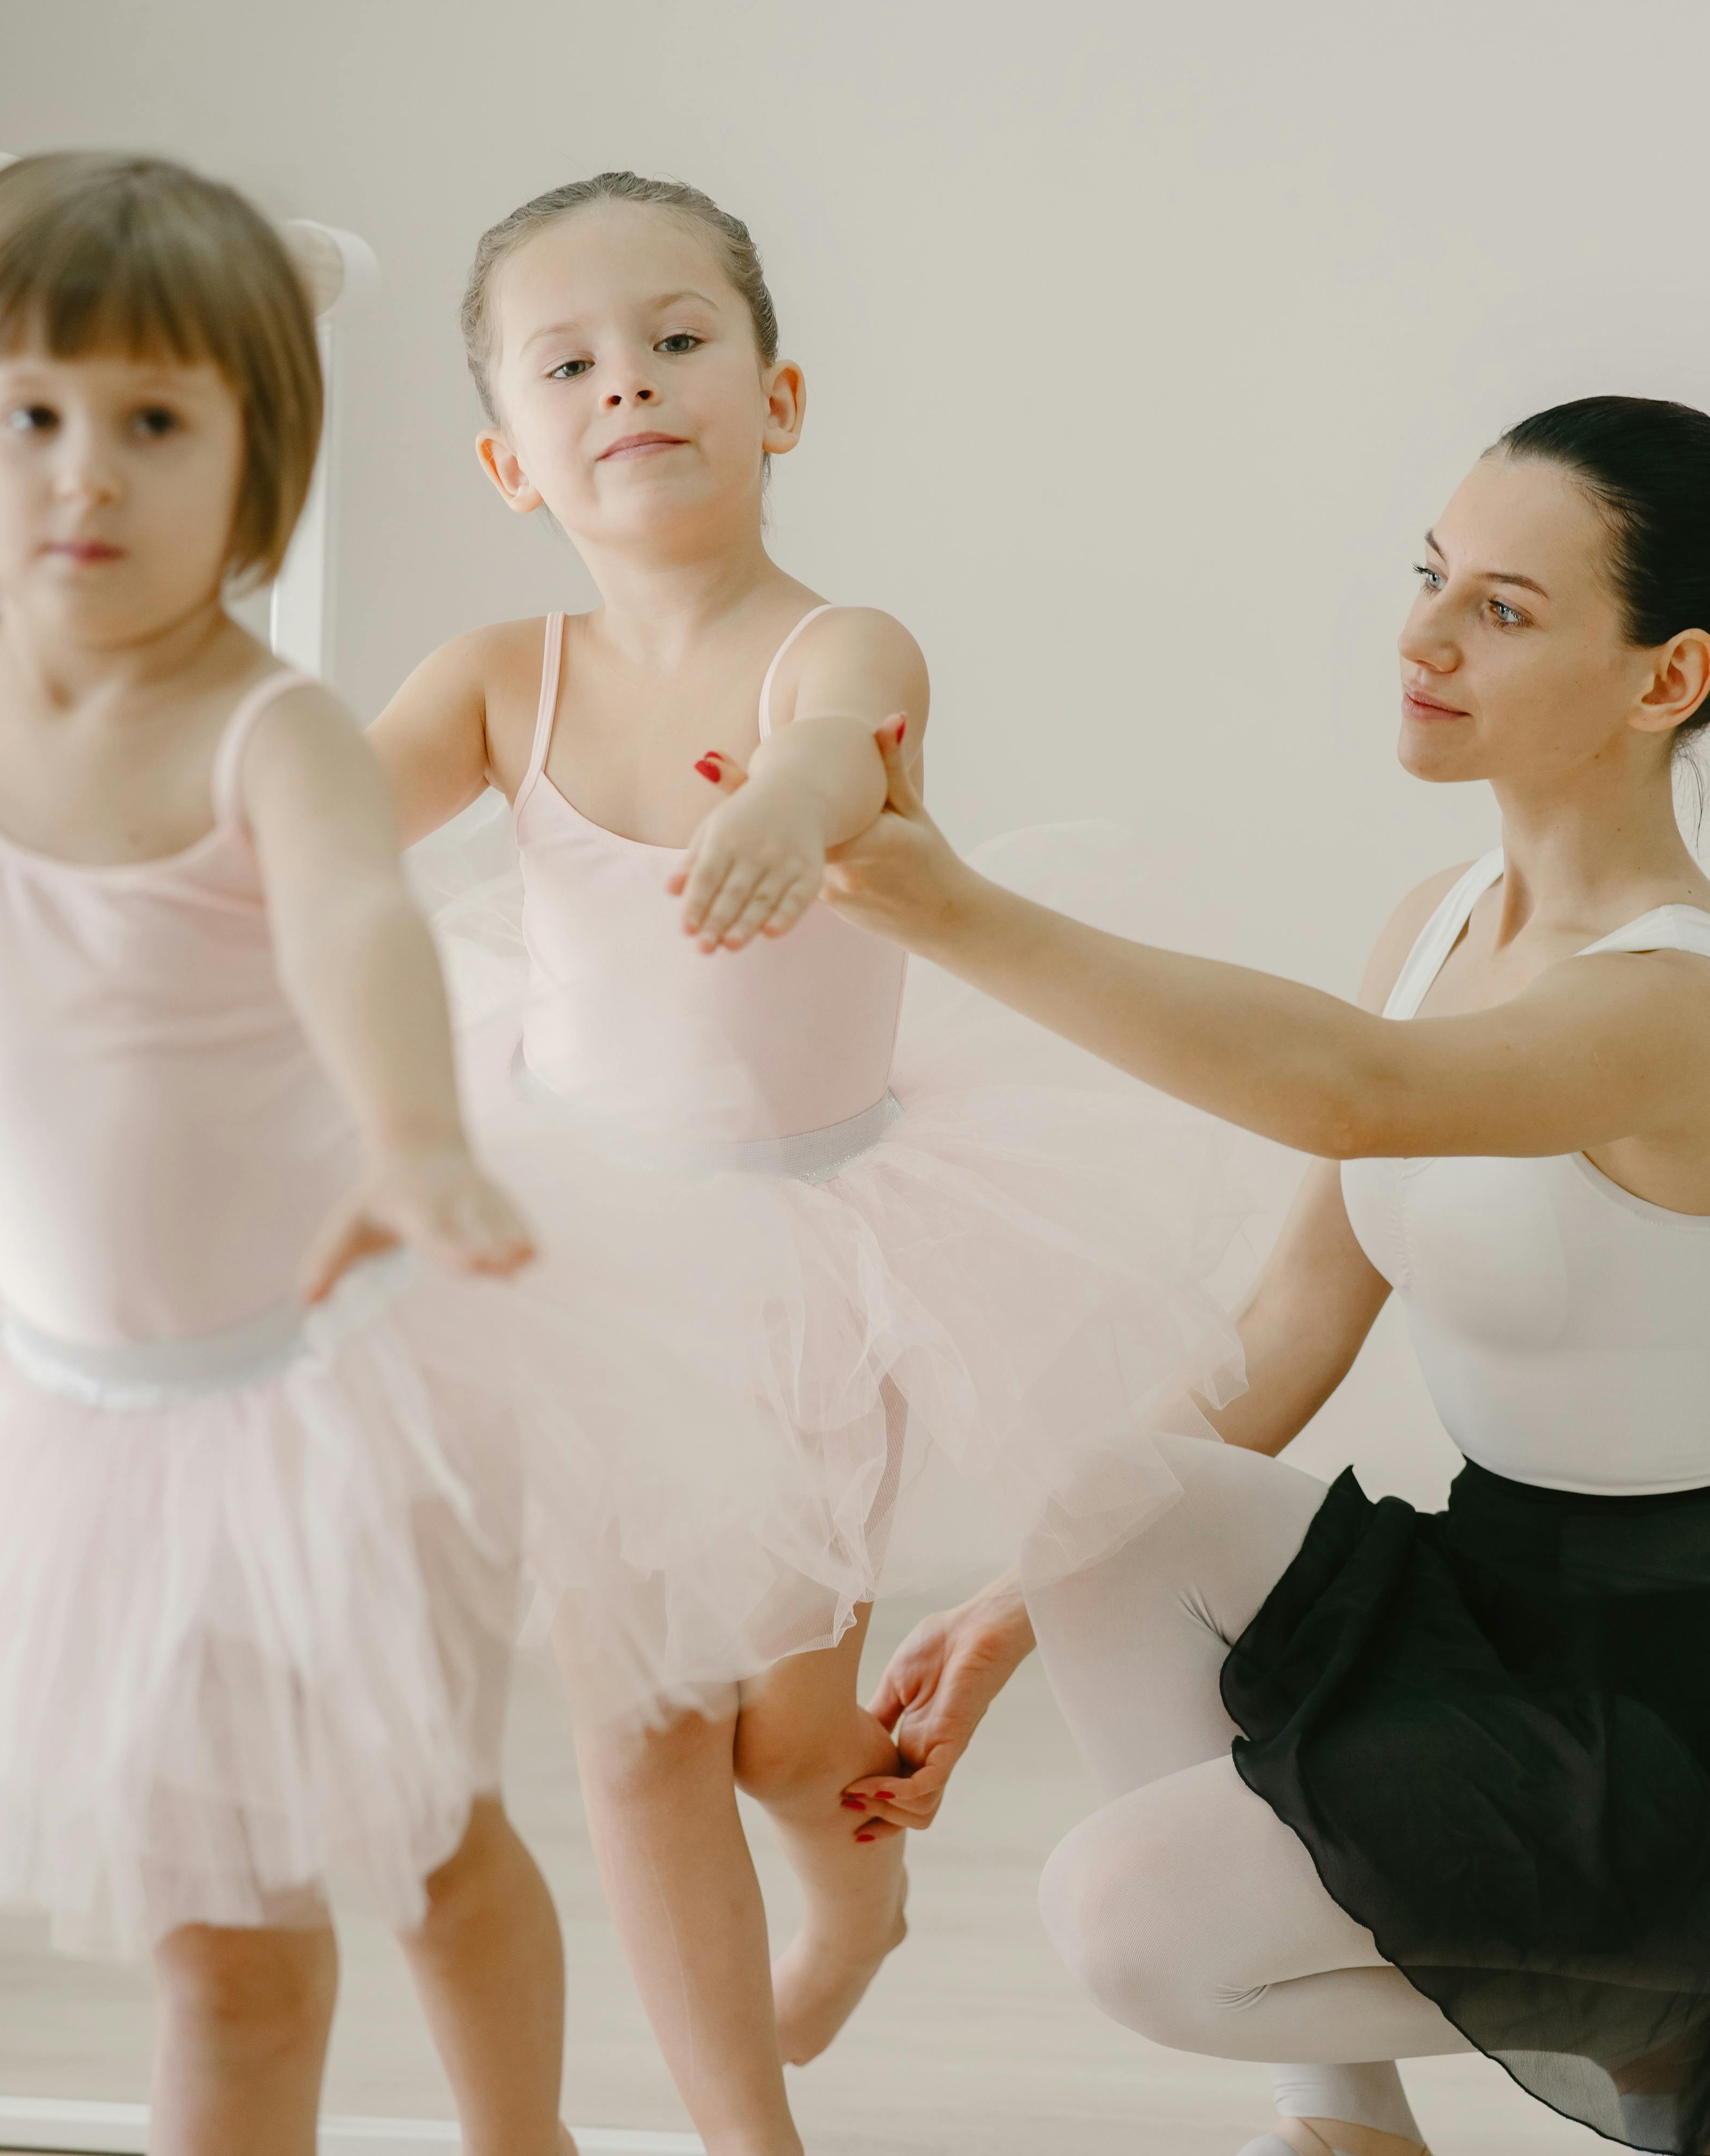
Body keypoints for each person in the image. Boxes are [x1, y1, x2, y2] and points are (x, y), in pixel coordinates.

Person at [0, 154, 675, 2156]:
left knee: (431, 1850)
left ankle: (527, 2146)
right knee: (224, 1956)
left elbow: (358, 926)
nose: (84, 474)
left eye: (153, 424)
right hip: (69, 1425)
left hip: (328, 1388)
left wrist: (419, 1138)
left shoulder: (269, 737)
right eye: (34, 418)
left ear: (253, 468)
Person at [825, 398, 1710, 2156]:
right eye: (1430, 576)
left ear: (1665, 678)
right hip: (1504, 1598)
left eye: (1504, 611)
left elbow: (1354, 1093)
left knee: (1125, 1921)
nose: (1422, 636)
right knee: (1109, 1501)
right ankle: (1345, 2132)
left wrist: (952, 913)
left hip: (1699, 1699)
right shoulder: (1440, 924)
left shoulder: (1682, 1007)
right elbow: (1300, 1311)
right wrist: (1015, 1611)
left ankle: (1700, 1983)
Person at [365, 172, 1251, 2156]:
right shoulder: (503, 679)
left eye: (680, 340)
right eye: (572, 363)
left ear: (778, 398)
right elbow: (326, 811)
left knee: (780, 1736)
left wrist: (784, 790)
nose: (632, 386)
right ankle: (746, 2140)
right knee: (633, 1733)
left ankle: (855, 1881)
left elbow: (846, 738)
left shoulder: (835, 647)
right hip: (583, 1251)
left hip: (812, 1248)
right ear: (514, 456)